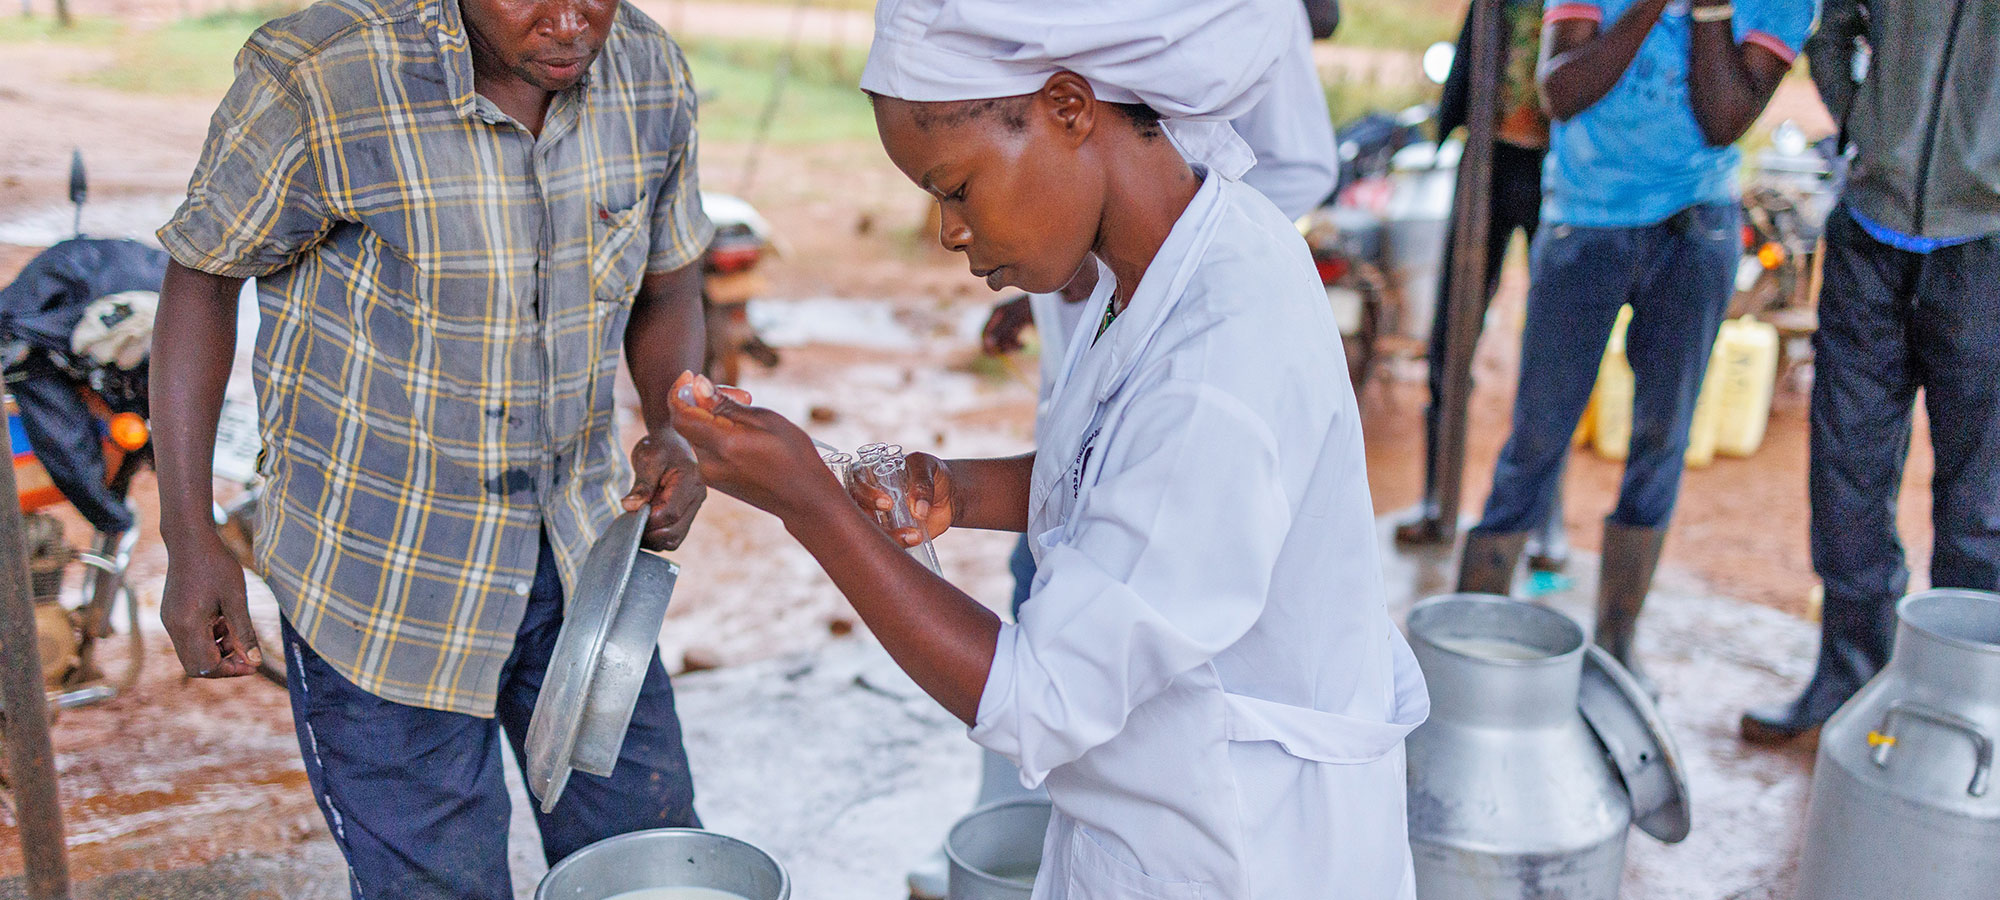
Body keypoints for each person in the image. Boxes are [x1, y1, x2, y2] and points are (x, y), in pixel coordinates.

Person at [671, 1, 1428, 896]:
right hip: (1165, 815)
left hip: (1235, 850)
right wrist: (960, 490)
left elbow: (1038, 701)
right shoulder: (1175, 260)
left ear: (1070, 108)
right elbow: (1129, 481)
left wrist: (812, 503)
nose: (951, 232)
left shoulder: (1218, 363)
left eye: (955, 189)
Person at [149, 0, 714, 894]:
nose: (572, 21)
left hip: (585, 566)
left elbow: (670, 285)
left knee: (651, 871)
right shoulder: (324, 75)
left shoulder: (649, 69)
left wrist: (675, 425)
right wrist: (189, 534)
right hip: (384, 595)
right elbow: (202, 278)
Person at [1454, 0, 1813, 691]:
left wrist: (1708, 12)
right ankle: (1473, 628)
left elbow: (1723, 120)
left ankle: (1618, 640)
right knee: (1537, 433)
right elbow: (1560, 91)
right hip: (1583, 224)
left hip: (1694, 226)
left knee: (1662, 436)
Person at [1740, 0, 1998, 743]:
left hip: (1985, 251)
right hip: (1870, 239)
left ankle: (1958, 710)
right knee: (1846, 473)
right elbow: (1834, 32)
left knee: (1980, 507)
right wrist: (1863, 127)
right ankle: (1848, 678)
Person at [1393, 0, 1570, 576]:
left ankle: (1543, 520)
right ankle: (1438, 500)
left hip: (1563, 169)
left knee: (1556, 355)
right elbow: (1471, 58)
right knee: (1452, 340)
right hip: (1487, 165)